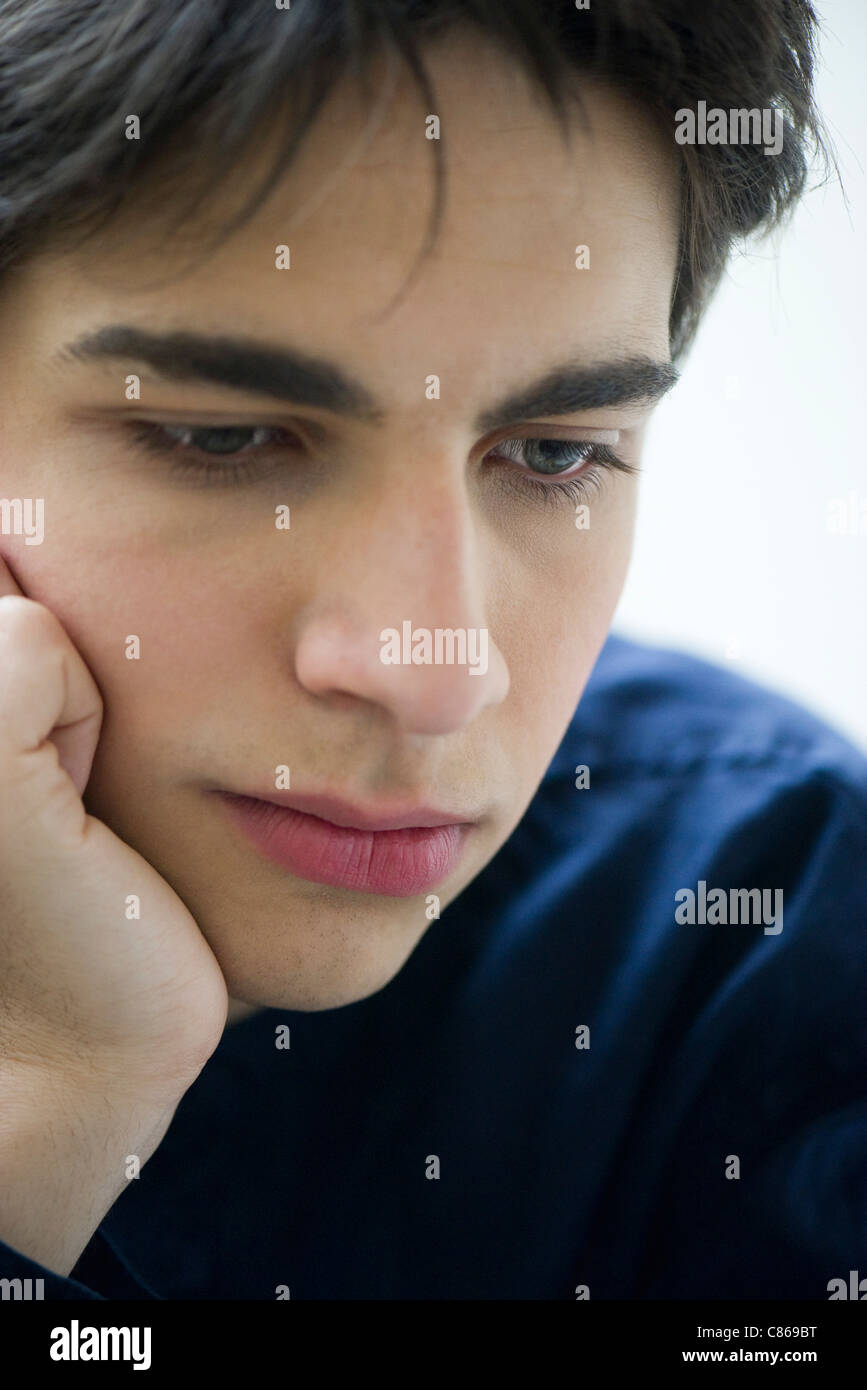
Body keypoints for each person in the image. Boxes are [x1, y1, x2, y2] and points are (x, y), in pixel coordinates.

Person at [0, 0, 863, 1301]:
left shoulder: (760, 928)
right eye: (224, 438)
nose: (437, 667)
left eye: (558, 452)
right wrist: (53, 1108)